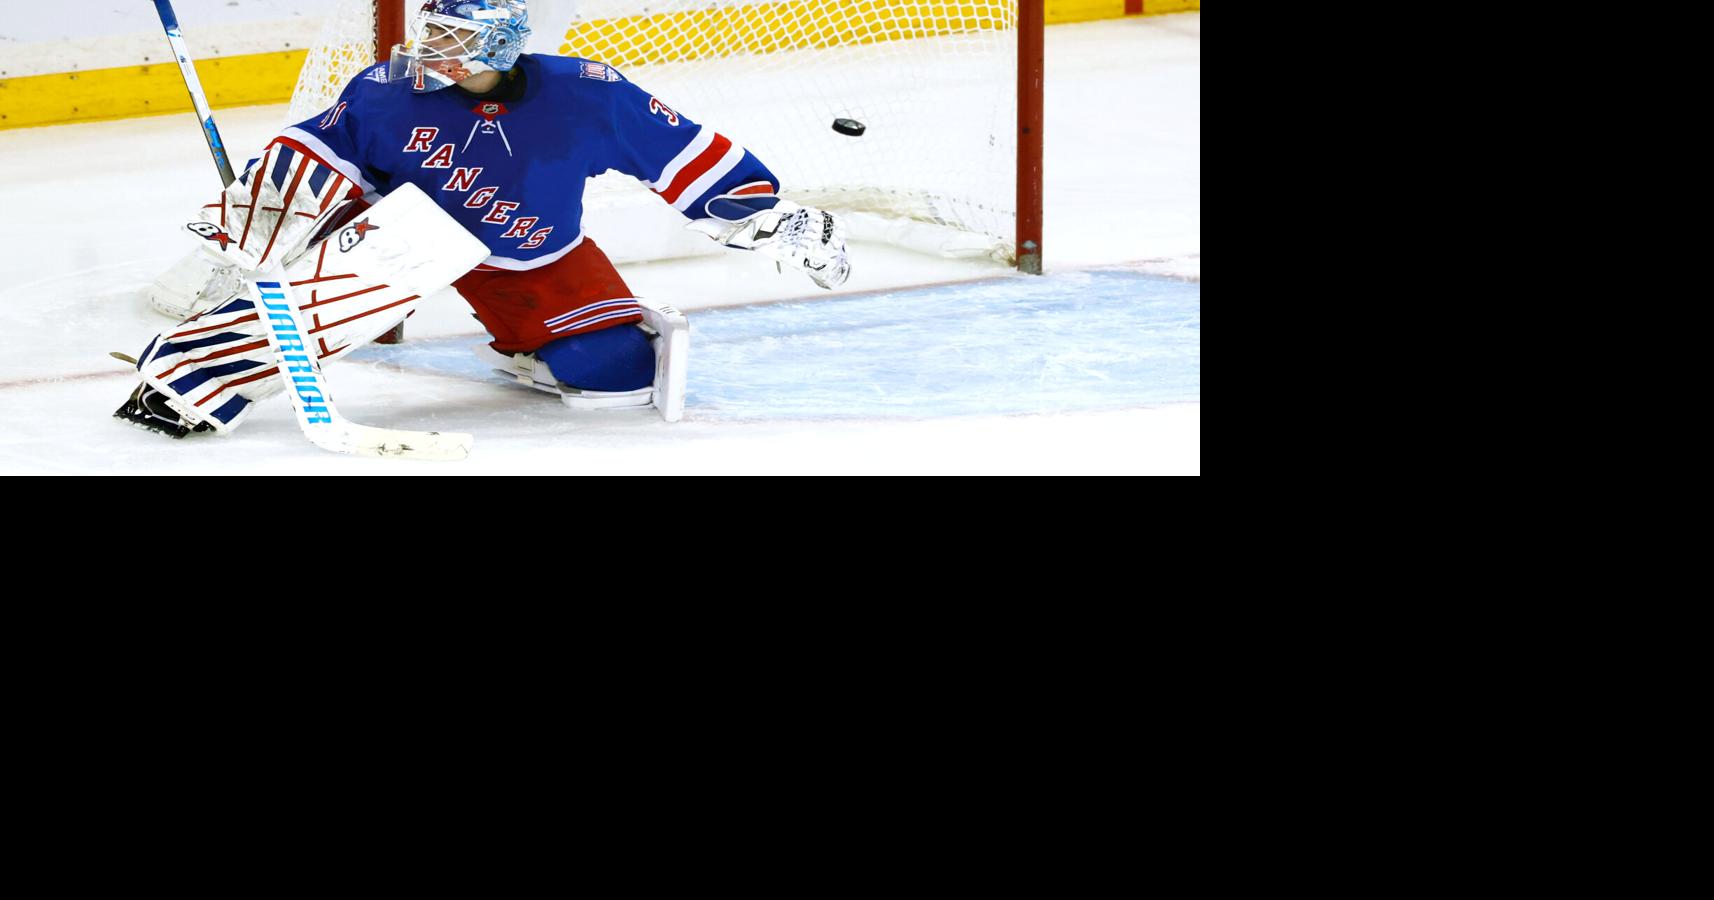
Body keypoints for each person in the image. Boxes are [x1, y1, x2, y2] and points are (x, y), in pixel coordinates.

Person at [116, 0, 849, 438]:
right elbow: (318, 149)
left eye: (450, 40)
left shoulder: (587, 93)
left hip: (529, 253)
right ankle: (183, 379)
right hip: (404, 237)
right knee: (321, 298)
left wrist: (771, 218)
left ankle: (529, 349)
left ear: (497, 44)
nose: (428, 49)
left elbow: (683, 157)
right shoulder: (387, 90)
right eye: (430, 32)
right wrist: (268, 210)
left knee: (619, 376)